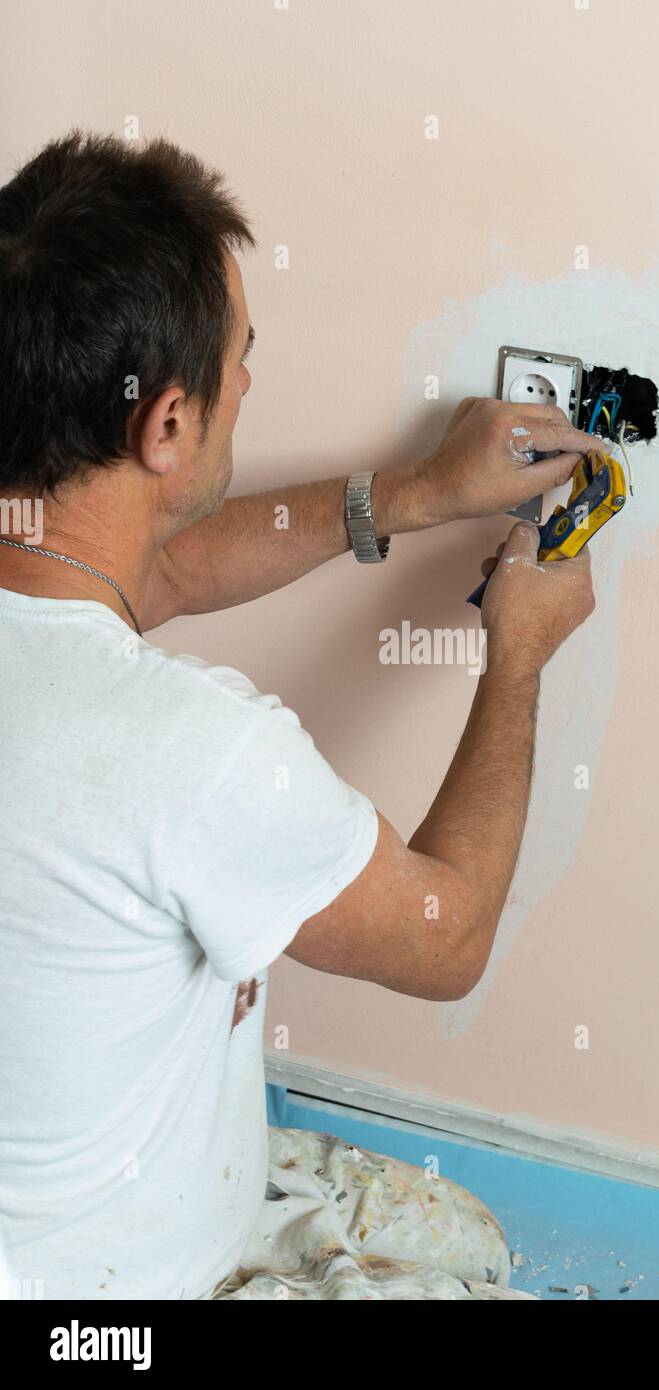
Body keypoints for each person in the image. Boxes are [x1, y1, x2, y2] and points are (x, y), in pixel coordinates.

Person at [0, 130, 597, 1300]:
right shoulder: (195, 753)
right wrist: (515, 657)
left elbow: (155, 576)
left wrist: (414, 496)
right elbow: (449, 935)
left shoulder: (50, 595)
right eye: (243, 358)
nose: (253, 385)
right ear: (164, 425)